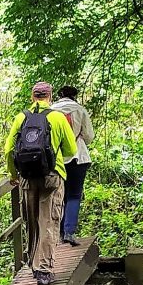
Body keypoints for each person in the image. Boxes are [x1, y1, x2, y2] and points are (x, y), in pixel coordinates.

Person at [3, 81, 77, 285]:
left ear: (32, 97)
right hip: (52, 177)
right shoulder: (58, 117)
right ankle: (44, 270)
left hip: (27, 178)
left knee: (33, 221)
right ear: (50, 97)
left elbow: (9, 150)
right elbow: (71, 150)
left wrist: (13, 174)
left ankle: (34, 264)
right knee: (49, 221)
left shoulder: (21, 118)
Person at [52, 84, 95, 244]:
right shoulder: (80, 110)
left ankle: (58, 231)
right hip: (78, 157)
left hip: (56, 159)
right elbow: (89, 136)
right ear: (74, 96)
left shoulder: (50, 111)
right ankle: (69, 232)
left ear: (59, 96)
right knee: (74, 195)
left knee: (58, 195)